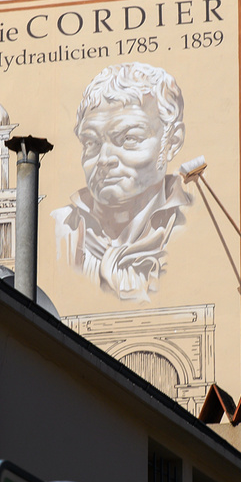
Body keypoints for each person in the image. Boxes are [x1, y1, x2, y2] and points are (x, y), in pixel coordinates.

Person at [52, 62, 191, 303]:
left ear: (172, 142)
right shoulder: (58, 230)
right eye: (91, 143)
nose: (104, 159)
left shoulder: (192, 228)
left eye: (129, 138)